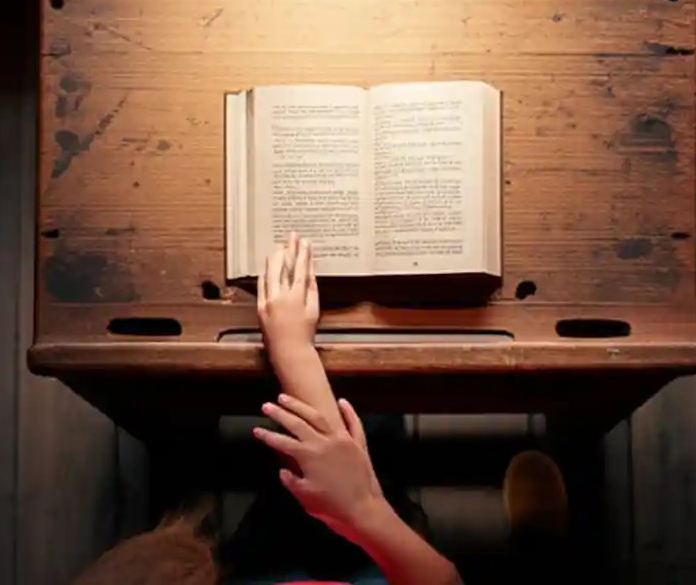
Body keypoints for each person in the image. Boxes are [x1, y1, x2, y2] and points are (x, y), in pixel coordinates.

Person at [75, 233, 463, 585]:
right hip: (366, 553)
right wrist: (365, 508)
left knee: (321, 464)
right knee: (364, 429)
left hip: (273, 560)